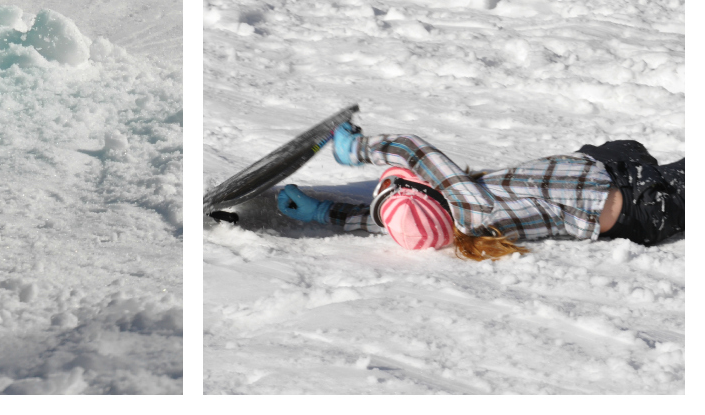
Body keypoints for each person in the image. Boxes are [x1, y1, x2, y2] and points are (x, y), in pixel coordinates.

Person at [276, 125, 684, 260]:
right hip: (645, 201)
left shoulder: (457, 223)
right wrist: (356, 149)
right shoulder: (470, 207)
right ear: (434, 193)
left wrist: (322, 213)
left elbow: (382, 222)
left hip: (616, 174)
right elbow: (412, 148)